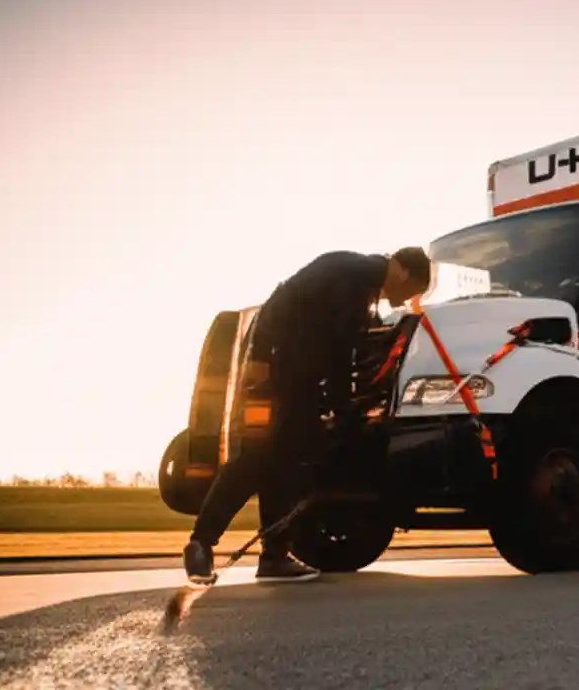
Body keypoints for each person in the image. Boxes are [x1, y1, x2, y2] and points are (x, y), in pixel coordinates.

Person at [183, 247, 433, 583]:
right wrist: (260, 357)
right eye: (412, 291)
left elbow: (334, 346)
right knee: (256, 461)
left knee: (282, 464)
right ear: (402, 271)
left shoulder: (360, 282)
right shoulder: (352, 274)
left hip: (294, 379)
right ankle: (203, 544)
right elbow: (287, 308)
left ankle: (271, 556)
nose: (406, 300)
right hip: (281, 375)